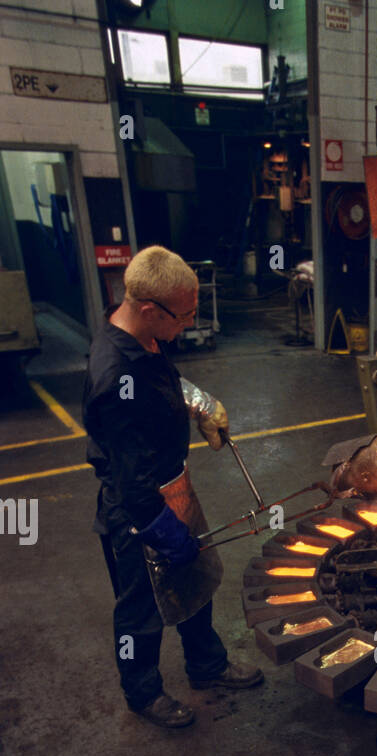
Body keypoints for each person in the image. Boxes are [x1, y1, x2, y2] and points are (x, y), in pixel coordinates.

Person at [83, 245, 262, 728]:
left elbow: (163, 383)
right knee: (140, 606)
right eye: (182, 317)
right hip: (139, 508)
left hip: (173, 485)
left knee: (193, 580)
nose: (186, 325)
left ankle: (206, 665)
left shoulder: (144, 339)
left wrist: (200, 403)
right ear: (148, 309)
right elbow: (129, 479)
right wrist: (163, 529)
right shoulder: (114, 375)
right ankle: (142, 693)